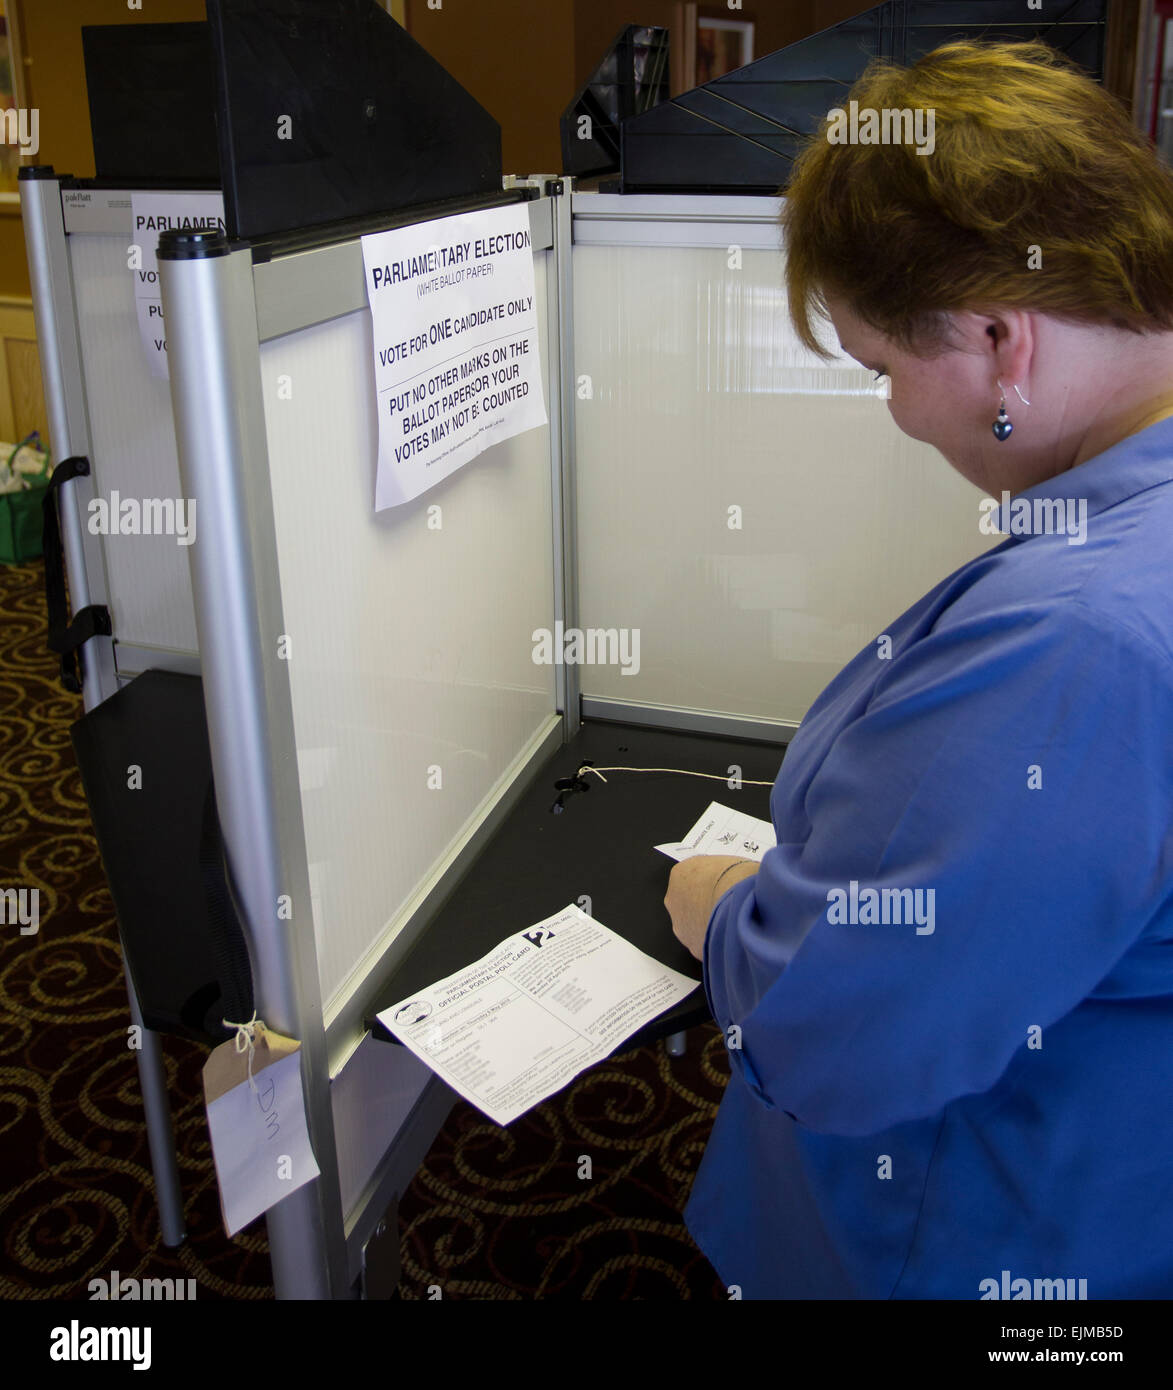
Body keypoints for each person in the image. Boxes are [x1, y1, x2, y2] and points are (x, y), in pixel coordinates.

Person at [663, 38, 1173, 1299]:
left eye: (885, 368)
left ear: (1003, 340)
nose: (893, 413)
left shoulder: (1079, 640)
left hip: (973, 1230)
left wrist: (723, 912)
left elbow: (830, 1030)